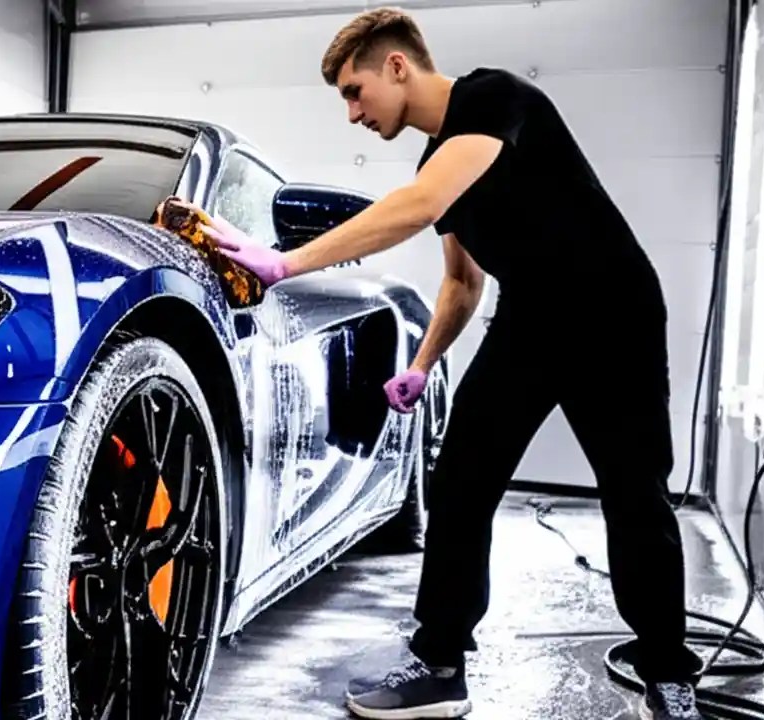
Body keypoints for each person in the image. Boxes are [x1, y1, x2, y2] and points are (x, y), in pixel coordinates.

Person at [198, 7, 705, 720]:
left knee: (634, 493)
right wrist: (423, 361)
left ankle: (668, 674)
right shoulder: (434, 161)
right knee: (462, 481)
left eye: (354, 92)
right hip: (530, 318)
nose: (352, 114)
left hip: (611, 311)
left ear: (396, 66)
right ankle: (439, 663)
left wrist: (284, 264)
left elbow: (419, 205)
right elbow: (463, 282)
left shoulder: (495, 98)